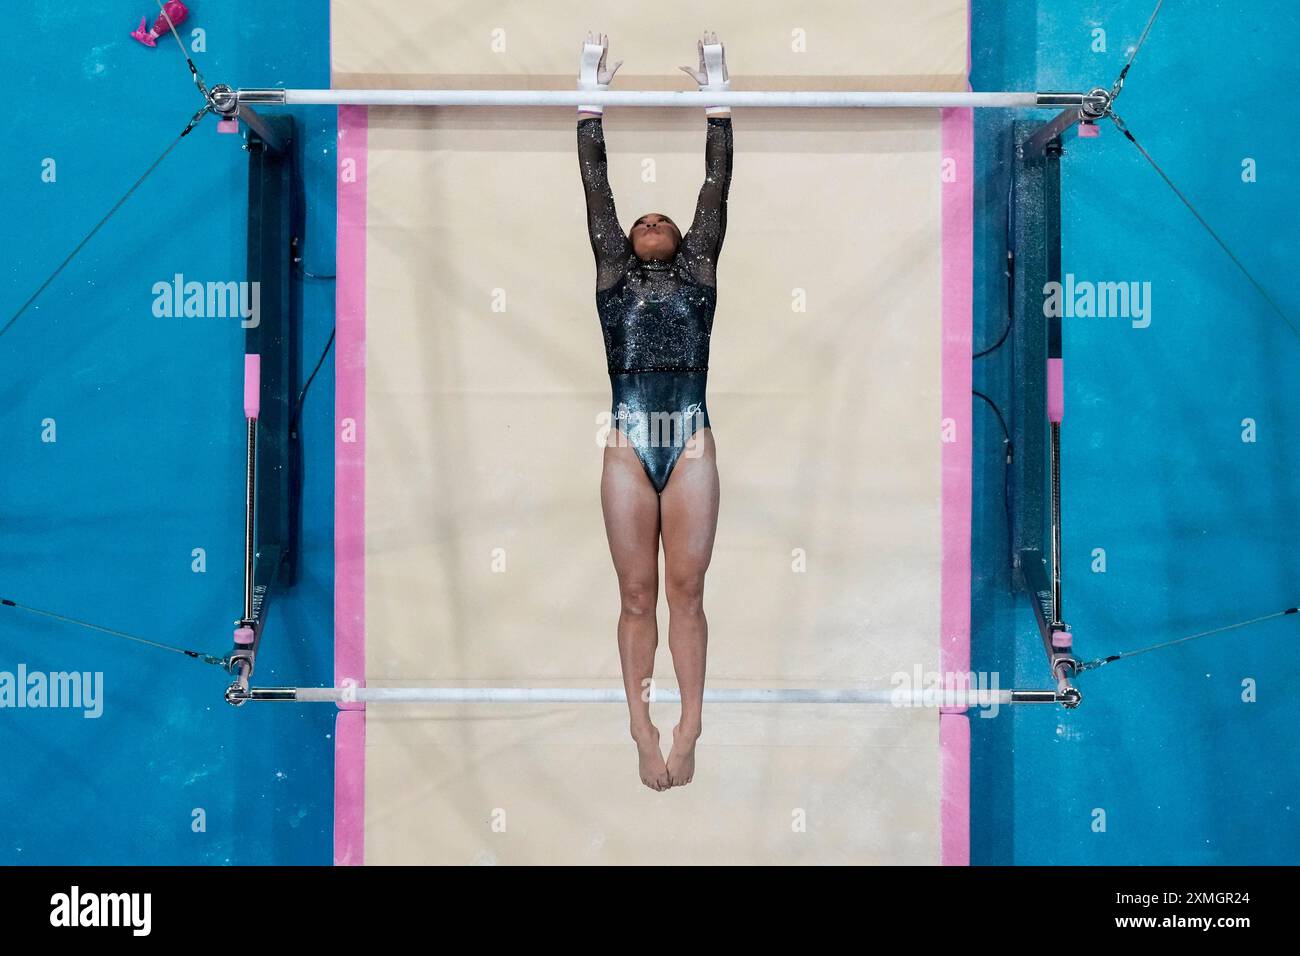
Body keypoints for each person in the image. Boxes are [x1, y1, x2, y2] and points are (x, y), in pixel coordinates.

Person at [576, 30, 733, 790]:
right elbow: (595, 190)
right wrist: (588, 101)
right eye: (637, 224)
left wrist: (718, 97)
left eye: (658, 221)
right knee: (637, 594)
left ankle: (693, 721)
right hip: (631, 438)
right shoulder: (611, 276)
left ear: (681, 242)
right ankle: (640, 724)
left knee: (688, 593)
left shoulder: (700, 272)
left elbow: (716, 189)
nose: (645, 224)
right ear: (625, 246)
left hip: (691, 438)